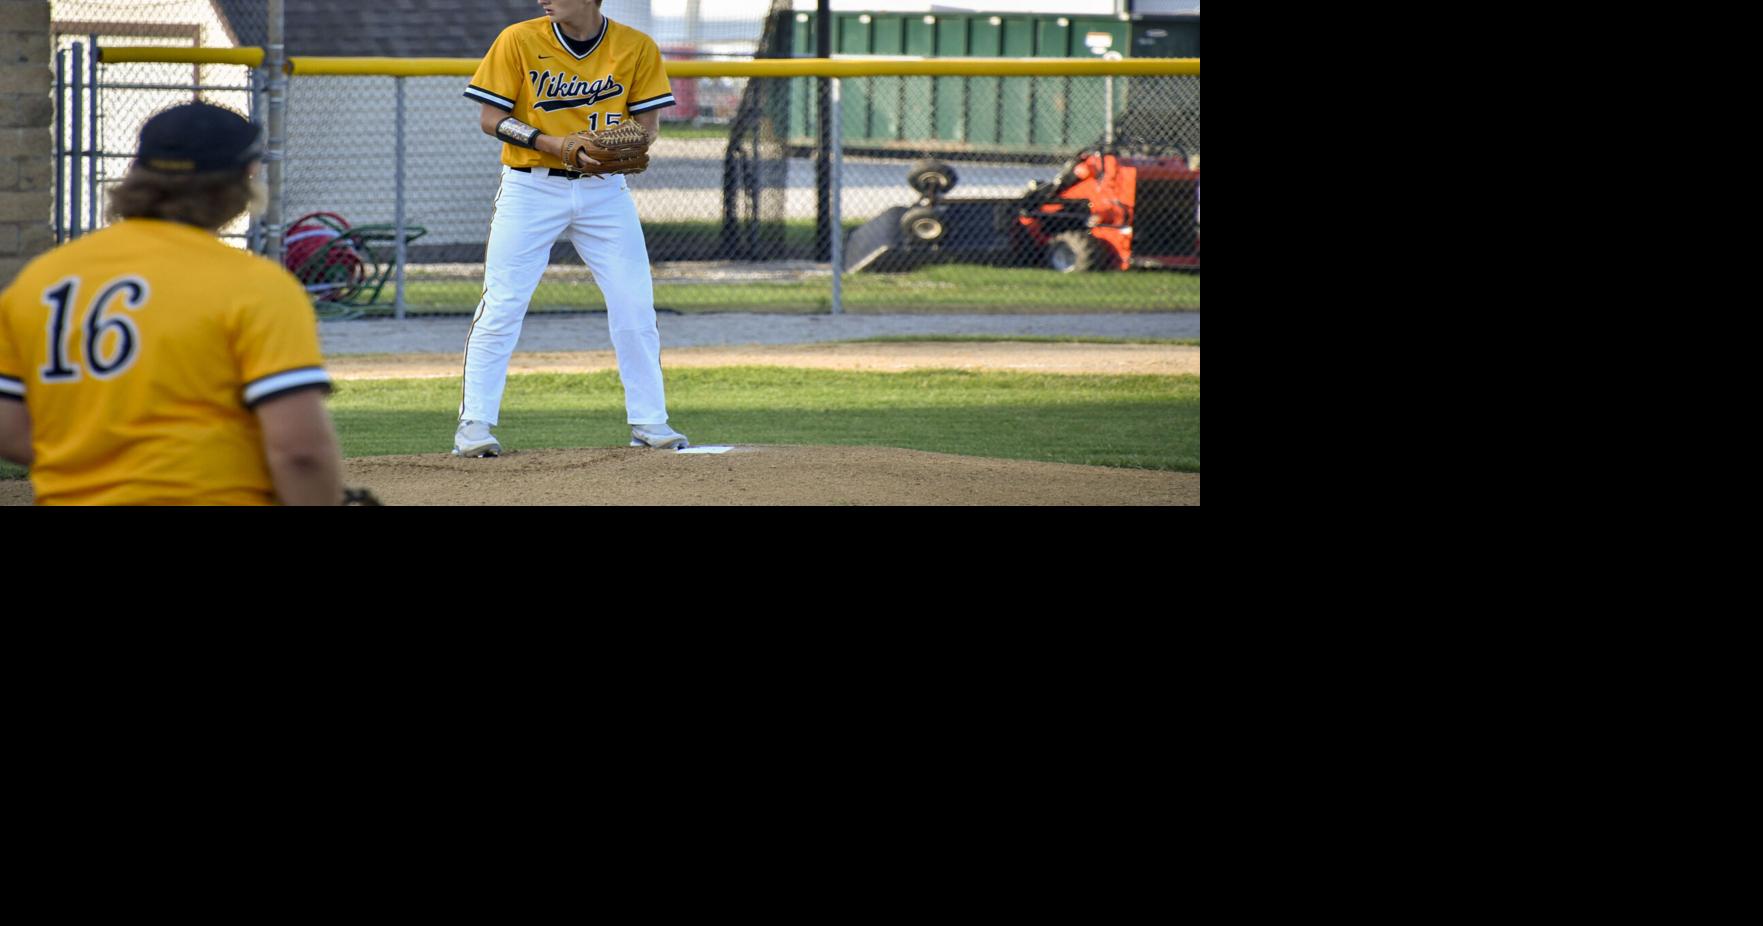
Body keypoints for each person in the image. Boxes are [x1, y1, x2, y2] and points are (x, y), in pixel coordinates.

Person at [0, 102, 344, 506]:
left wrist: (103, 467)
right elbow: (300, 452)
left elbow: (7, 428)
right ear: (244, 177)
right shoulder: (254, 285)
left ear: (138, 174)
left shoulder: (42, 279)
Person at [456, 0, 687, 457]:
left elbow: (649, 126)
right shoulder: (518, 39)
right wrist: (553, 144)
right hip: (530, 188)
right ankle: (475, 425)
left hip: (605, 190)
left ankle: (649, 420)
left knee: (635, 304)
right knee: (503, 303)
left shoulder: (635, 46)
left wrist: (623, 146)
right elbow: (490, 119)